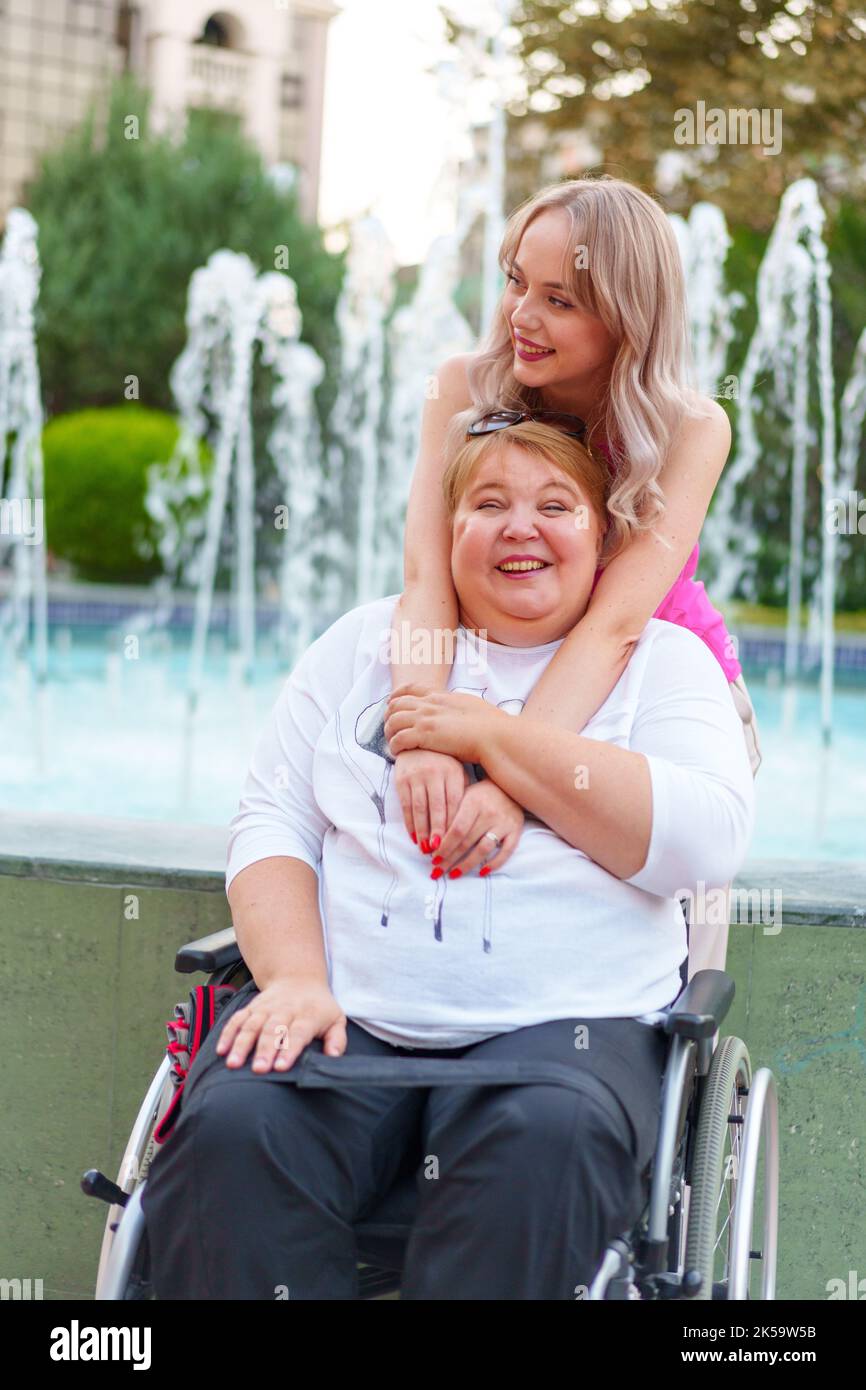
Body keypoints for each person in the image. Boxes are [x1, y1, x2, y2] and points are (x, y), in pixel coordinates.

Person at [140, 413, 755, 1301]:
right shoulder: (360, 647)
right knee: (237, 1125)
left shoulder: (662, 668)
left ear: (602, 537)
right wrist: (294, 978)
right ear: (447, 527)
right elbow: (272, 823)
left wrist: (494, 740)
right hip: (348, 1015)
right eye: (489, 503)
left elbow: (703, 846)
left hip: (566, 1036)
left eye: (556, 505)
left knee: (542, 1147)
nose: (521, 527)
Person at [389, 174, 761, 980]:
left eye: (559, 300)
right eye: (517, 281)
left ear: (626, 313)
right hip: (499, 669)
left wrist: (514, 777)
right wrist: (418, 737)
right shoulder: (463, 388)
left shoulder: (691, 427)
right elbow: (426, 579)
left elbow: (616, 625)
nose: (521, 315)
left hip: (653, 690)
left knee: (675, 949)